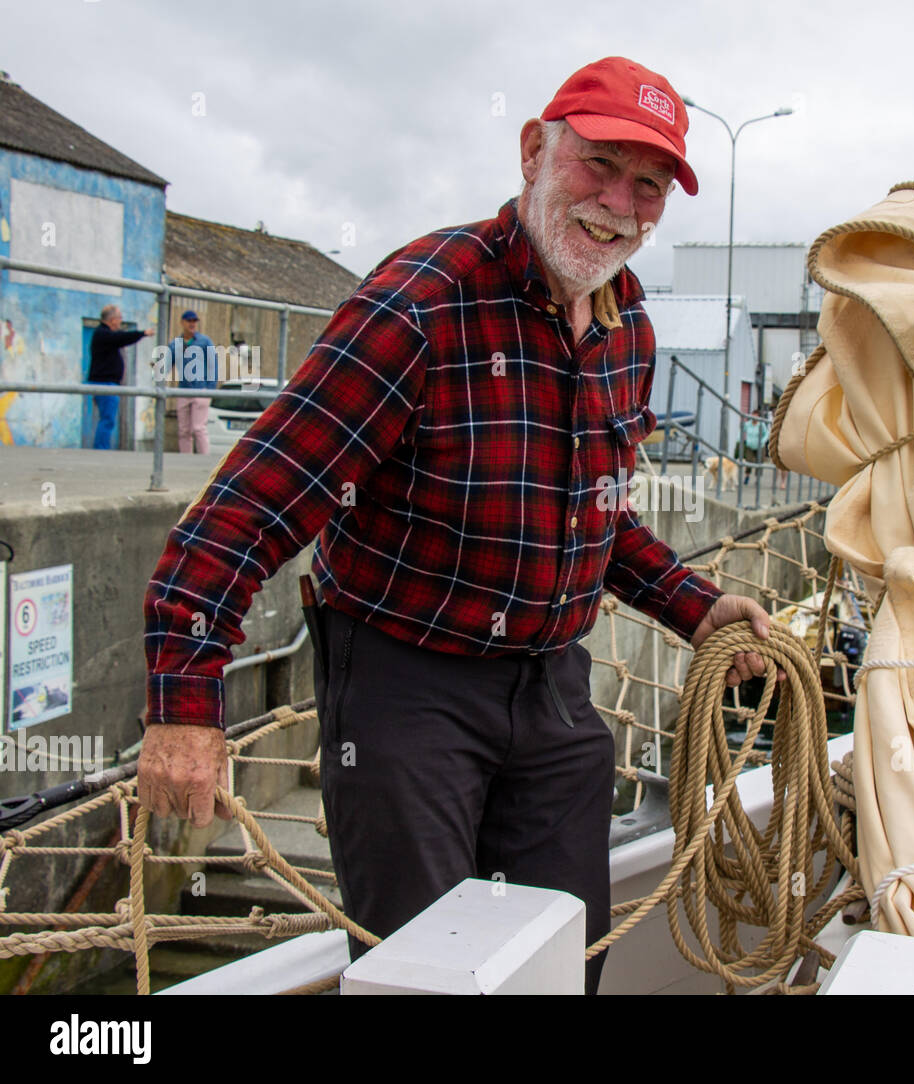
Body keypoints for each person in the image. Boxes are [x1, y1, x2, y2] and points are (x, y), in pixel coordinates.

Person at [138, 57, 783, 996]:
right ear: (533, 151)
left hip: (555, 691)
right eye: (597, 166)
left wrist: (697, 607)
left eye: (647, 186)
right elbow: (246, 511)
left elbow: (595, 518)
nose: (618, 203)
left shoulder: (629, 327)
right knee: (424, 977)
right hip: (407, 691)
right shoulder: (421, 304)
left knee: (565, 962)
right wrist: (183, 712)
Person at [87, 305, 153, 450]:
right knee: (107, 419)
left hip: (107, 383)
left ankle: (101, 447)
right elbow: (122, 338)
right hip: (104, 383)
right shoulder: (103, 334)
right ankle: (101, 449)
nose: (120, 322)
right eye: (119, 319)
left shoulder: (104, 334)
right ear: (112, 320)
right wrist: (143, 333)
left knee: (106, 418)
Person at [169, 310, 217, 453]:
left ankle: (203, 458)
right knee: (184, 430)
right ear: (182, 322)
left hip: (200, 388)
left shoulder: (204, 341)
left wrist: (210, 389)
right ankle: (186, 460)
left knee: (198, 428)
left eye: (194, 321)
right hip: (183, 389)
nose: (192, 324)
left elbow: (212, 364)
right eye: (189, 321)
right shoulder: (175, 344)